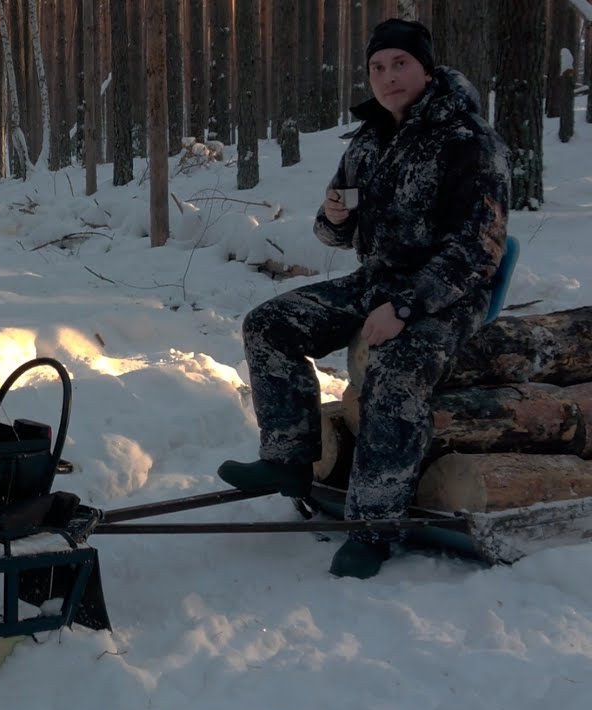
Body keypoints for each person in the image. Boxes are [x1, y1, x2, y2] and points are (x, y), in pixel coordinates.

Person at [217, 18, 511, 579]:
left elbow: (479, 250)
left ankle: (374, 528)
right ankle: (288, 458)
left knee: (395, 367)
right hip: (376, 280)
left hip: (445, 293)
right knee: (270, 323)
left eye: (399, 64)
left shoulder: (469, 140)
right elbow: (334, 235)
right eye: (377, 67)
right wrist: (333, 218)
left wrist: (406, 307)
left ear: (425, 69)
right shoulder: (372, 139)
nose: (387, 76)